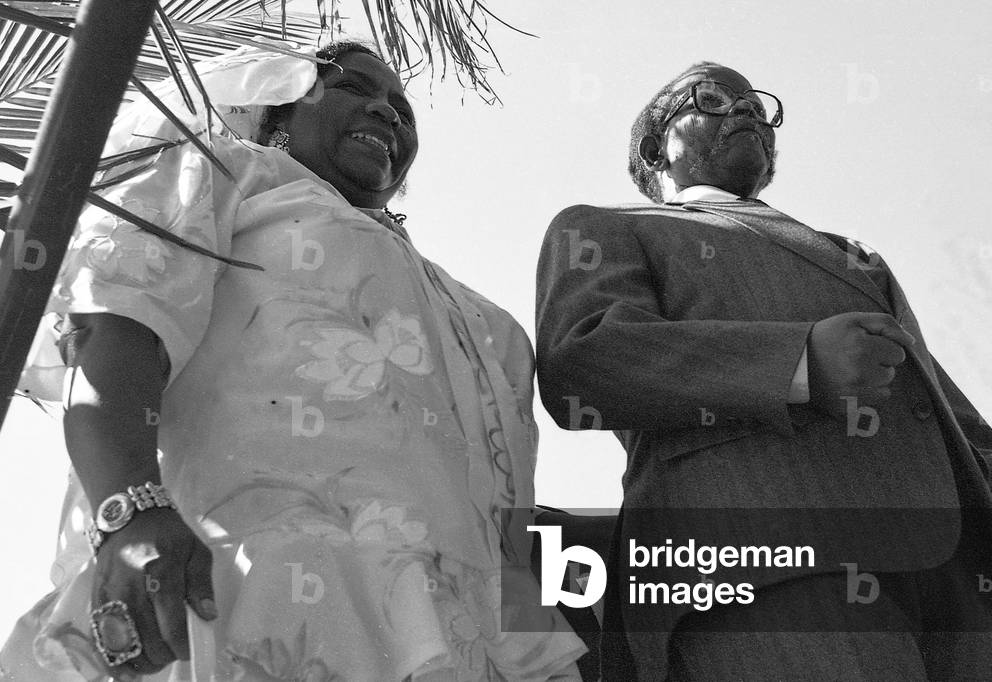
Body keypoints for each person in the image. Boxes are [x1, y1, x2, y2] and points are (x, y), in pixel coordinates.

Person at [2, 41, 586, 681]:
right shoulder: (221, 169)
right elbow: (117, 325)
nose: (386, 111)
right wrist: (129, 510)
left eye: (403, 108)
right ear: (274, 106)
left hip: (457, 644)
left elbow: (507, 512)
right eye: (350, 87)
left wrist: (534, 651)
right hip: (240, 587)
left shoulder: (488, 322)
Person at [534, 61, 992, 681]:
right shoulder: (607, 226)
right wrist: (800, 362)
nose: (745, 112)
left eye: (759, 108)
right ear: (657, 148)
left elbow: (949, 432)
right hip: (764, 565)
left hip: (962, 593)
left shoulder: (853, 256)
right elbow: (584, 362)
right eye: (711, 98)